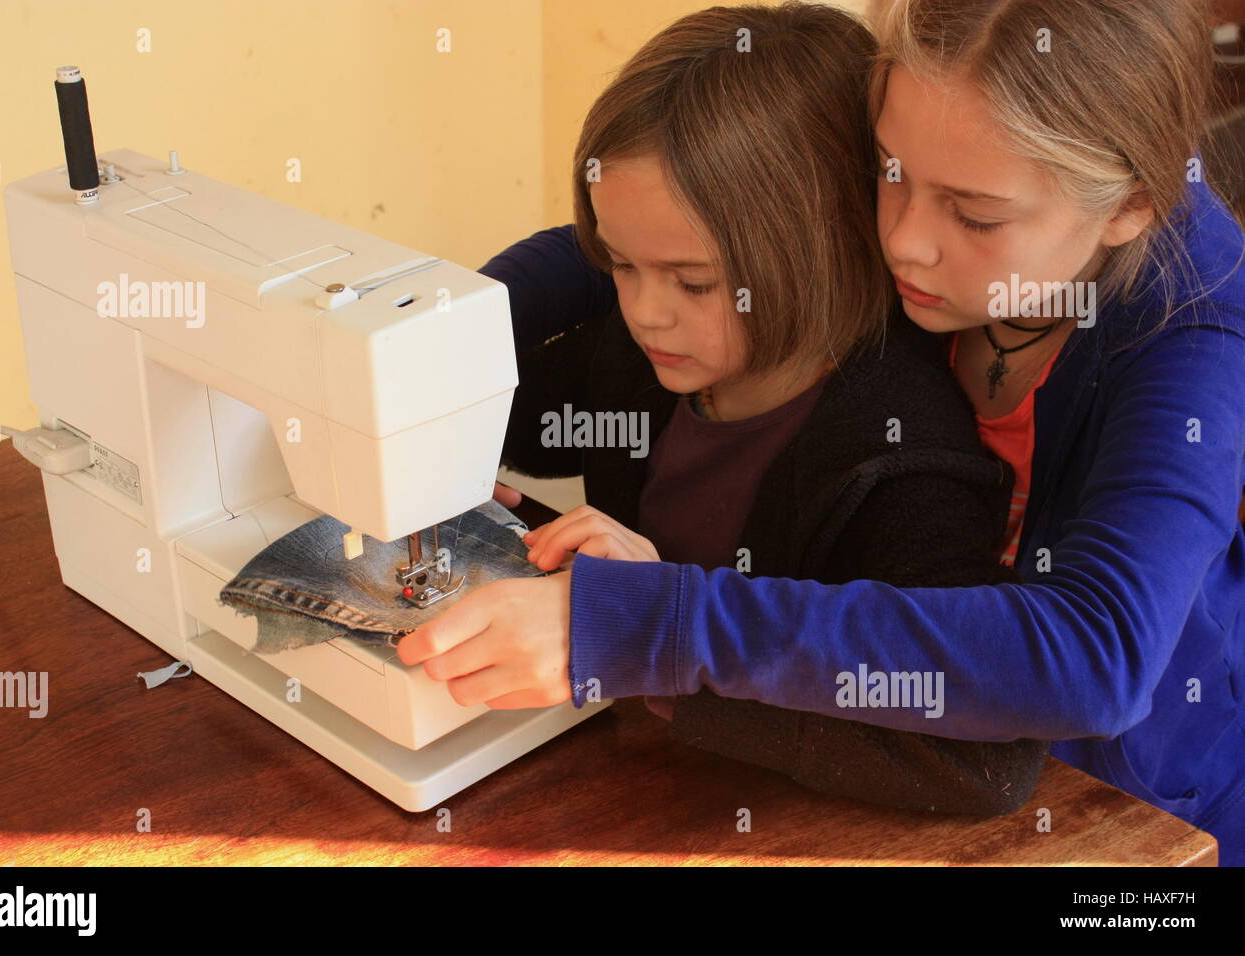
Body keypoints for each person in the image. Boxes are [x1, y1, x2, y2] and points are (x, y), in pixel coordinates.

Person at [401, 0, 1245, 861]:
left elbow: (1092, 657)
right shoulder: (950, 167)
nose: (904, 242)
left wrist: (651, 626)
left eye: (975, 216)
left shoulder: (1195, 339)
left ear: (1131, 203)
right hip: (860, 757)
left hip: (1125, 808)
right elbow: (656, 232)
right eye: (886, 171)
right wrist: (444, 338)